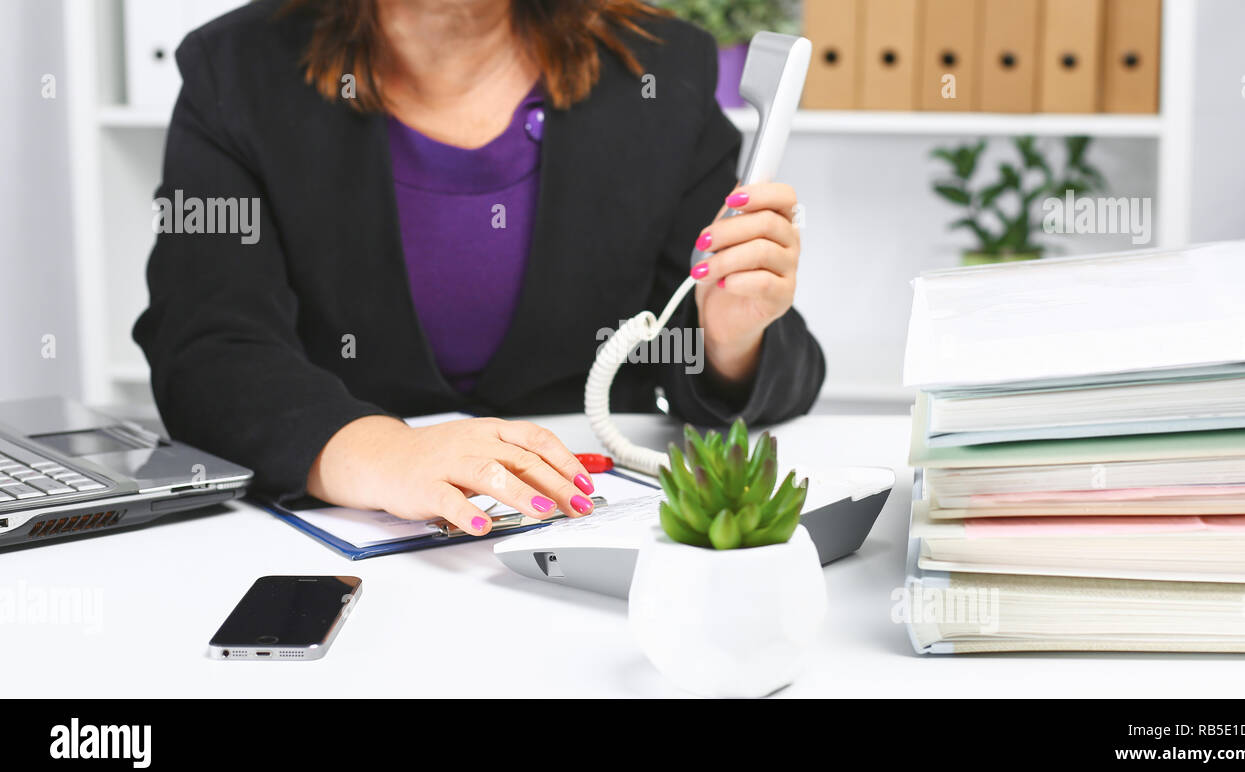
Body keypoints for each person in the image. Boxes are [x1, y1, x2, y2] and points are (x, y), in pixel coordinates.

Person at [134, 0, 825, 535]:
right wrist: (382, 453)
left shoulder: (660, 66)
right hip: (349, 532)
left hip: (590, 533)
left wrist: (729, 339)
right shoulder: (236, 69)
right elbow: (206, 348)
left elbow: (761, 359)